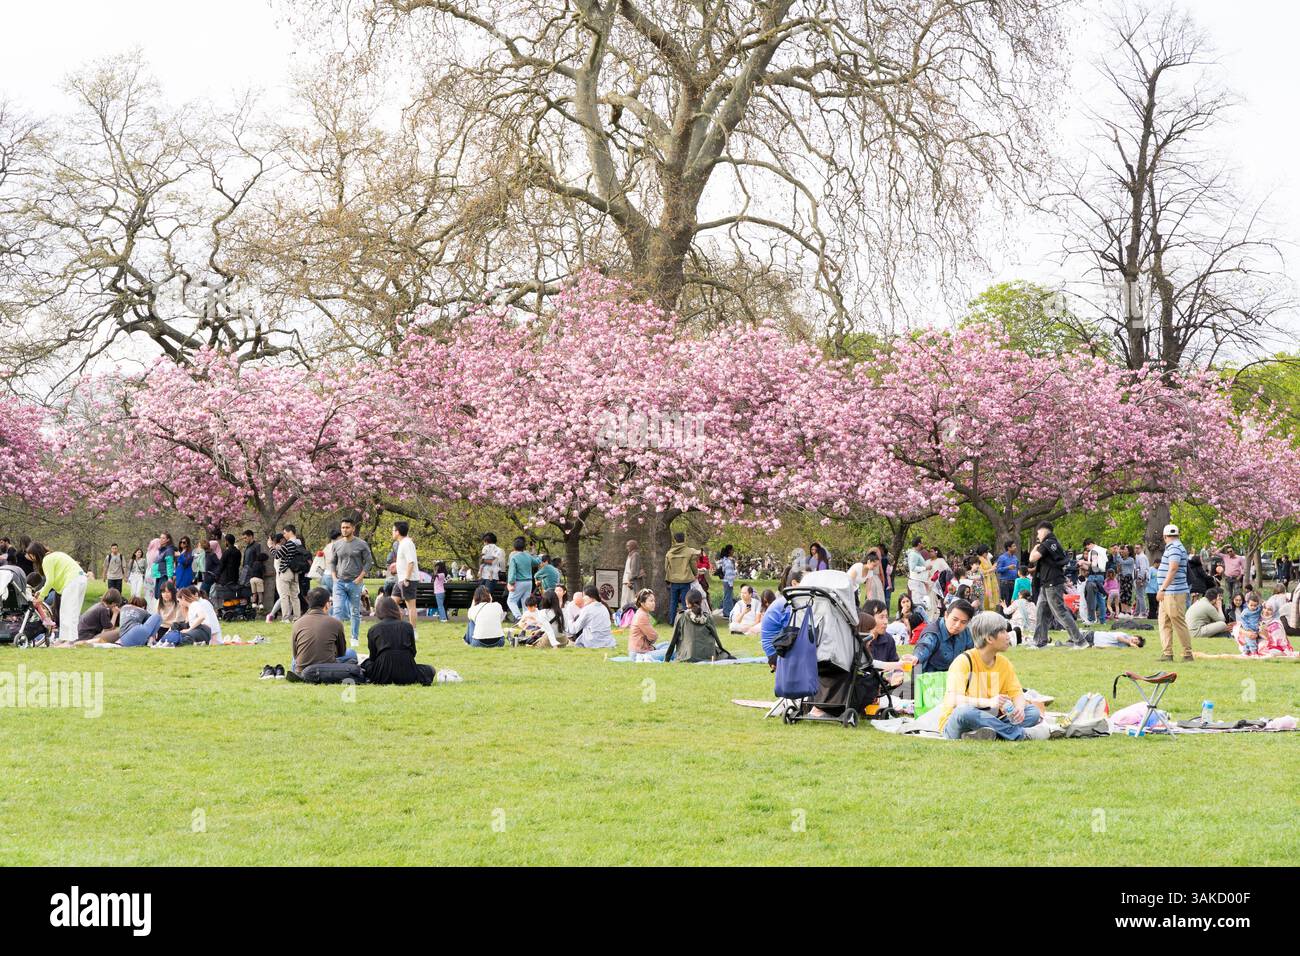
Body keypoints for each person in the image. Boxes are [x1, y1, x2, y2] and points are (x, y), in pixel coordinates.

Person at [939, 611, 1044, 741]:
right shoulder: (963, 661)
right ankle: (1017, 734)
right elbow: (953, 700)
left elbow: (1016, 693)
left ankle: (986, 733)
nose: (1008, 636)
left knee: (1032, 712)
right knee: (964, 712)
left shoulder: (1004, 663)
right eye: (1003, 632)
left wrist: (1019, 709)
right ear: (989, 638)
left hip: (991, 718)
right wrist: (989, 702)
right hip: (959, 721)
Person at [1027, 521, 1087, 648]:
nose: (1038, 536)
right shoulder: (1054, 543)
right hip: (1046, 583)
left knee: (1060, 612)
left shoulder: (1047, 543)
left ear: (1043, 531)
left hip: (1052, 583)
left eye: (1038, 533)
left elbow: (1032, 559)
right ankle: (1039, 641)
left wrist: (1035, 546)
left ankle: (1080, 641)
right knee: (1041, 612)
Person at [362, 596, 435, 685]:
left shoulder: (373, 630)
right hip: (407, 671)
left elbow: (373, 657)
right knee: (429, 669)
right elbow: (413, 652)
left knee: (365, 663)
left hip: (382, 673)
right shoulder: (407, 626)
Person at [26, 543, 88, 642]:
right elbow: (53, 581)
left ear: (36, 553)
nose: (30, 558)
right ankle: (67, 639)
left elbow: (50, 581)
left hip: (73, 581)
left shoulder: (47, 560)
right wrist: (41, 591)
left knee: (66, 612)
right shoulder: (53, 556)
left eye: (31, 555)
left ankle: (68, 641)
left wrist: (41, 597)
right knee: (72, 613)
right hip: (81, 579)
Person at [328, 517, 374, 645]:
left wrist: (360, 577)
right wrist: (333, 576)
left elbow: (369, 562)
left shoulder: (361, 544)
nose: (344, 529)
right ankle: (336, 639)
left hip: (355, 582)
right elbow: (332, 561)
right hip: (339, 582)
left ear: (353, 528)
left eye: (347, 527)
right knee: (338, 609)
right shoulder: (337, 544)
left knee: (354, 611)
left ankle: (354, 637)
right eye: (342, 527)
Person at [290, 587, 357, 670]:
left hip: (301, 669)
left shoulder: (297, 623)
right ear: (327, 604)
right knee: (351, 653)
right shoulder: (336, 623)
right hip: (327, 668)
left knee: (294, 660)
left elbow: (295, 654)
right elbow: (341, 652)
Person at [1154, 523, 1194, 663]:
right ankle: (1167, 653)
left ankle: (1187, 653)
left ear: (1165, 536)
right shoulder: (1173, 547)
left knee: (1177, 622)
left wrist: (1162, 589)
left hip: (1173, 592)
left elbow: (1173, 568)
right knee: (1164, 622)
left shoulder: (1175, 547)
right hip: (1168, 592)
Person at [910, 599, 976, 674]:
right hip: (931, 680)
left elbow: (971, 654)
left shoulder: (966, 632)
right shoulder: (933, 632)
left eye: (963, 622)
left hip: (954, 678)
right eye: (955, 619)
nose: (958, 625)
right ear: (946, 615)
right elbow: (924, 647)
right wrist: (916, 657)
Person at [664, 589, 731, 662]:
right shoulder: (708, 617)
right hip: (708, 655)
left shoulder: (680, 616)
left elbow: (673, 641)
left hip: (686, 656)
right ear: (701, 602)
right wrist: (724, 652)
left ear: (687, 603)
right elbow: (716, 639)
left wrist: (667, 659)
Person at [760, 570, 801, 663]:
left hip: (779, 646)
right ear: (794, 583)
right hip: (776, 652)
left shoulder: (790, 601)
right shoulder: (788, 604)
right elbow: (792, 633)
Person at [664, 532, 700, 625]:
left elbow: (666, 567)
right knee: (686, 602)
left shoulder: (669, 553)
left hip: (673, 580)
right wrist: (696, 573)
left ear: (675, 540)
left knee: (673, 602)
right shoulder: (689, 551)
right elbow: (693, 565)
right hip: (685, 580)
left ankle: (672, 621)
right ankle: (685, 622)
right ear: (684, 539)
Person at [391, 521, 421, 627]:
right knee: (392, 604)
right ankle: (397, 626)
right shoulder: (403, 543)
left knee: (411, 606)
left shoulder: (407, 543)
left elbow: (411, 562)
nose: (392, 532)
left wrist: (407, 579)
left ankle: (413, 631)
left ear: (398, 532)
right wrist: (397, 565)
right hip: (401, 579)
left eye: (393, 530)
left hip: (408, 580)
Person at [506, 536, 540, 621]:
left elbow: (512, 571)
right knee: (526, 603)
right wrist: (540, 557)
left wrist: (511, 582)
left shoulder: (514, 557)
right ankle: (528, 620)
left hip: (519, 582)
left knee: (511, 601)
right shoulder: (528, 555)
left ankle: (518, 617)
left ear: (514, 547)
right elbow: (536, 562)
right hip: (529, 582)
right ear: (524, 547)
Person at [627, 588, 660, 661]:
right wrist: (652, 639)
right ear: (642, 603)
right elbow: (653, 636)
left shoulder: (642, 612)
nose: (653, 603)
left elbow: (651, 636)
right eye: (651, 601)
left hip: (642, 649)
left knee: (667, 644)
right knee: (672, 651)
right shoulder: (642, 615)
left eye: (654, 600)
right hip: (639, 653)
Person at [239, 530, 267, 612]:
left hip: (253, 572)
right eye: (243, 538)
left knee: (254, 591)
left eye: (245, 538)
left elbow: (258, 559)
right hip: (245, 571)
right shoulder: (247, 547)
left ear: (251, 536)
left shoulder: (256, 546)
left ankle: (255, 607)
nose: (244, 540)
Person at [622, 539, 646, 610]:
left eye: (628, 546)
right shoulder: (630, 555)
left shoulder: (635, 555)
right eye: (627, 546)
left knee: (631, 600)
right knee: (626, 599)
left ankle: (631, 615)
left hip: (631, 582)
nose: (627, 547)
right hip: (627, 581)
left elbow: (634, 570)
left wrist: (630, 581)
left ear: (633, 546)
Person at [994, 541, 1019, 606]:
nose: (1015, 547)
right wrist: (1007, 567)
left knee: (1013, 602)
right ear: (1009, 548)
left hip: (1014, 582)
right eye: (1013, 546)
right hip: (1005, 583)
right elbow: (998, 570)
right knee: (1005, 602)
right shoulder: (1002, 557)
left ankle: (1011, 616)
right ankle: (1003, 615)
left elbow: (1017, 569)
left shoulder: (1015, 558)